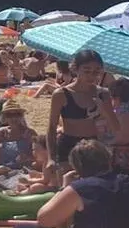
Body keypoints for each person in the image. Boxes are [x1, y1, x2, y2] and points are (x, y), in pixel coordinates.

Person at [45, 49, 119, 179]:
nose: (91, 76)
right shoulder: (61, 95)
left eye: (96, 72)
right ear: (75, 69)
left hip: (95, 147)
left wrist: (105, 111)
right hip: (69, 145)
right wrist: (51, 158)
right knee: (68, 186)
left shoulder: (103, 94)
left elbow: (116, 128)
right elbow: (51, 128)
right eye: (87, 71)